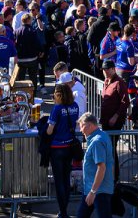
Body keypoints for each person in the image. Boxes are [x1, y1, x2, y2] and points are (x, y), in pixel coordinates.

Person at [47, 83, 80, 218]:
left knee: (59, 181)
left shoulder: (57, 108)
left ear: (59, 94)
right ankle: (64, 209)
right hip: (69, 147)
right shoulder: (75, 106)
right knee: (66, 179)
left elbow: (49, 131)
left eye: (55, 93)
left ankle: (63, 212)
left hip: (57, 148)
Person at [78, 112, 115, 218]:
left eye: (82, 127)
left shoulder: (97, 142)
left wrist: (93, 192)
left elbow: (101, 167)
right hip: (95, 189)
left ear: (89, 125)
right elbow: (110, 163)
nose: (81, 130)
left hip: (98, 191)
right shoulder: (103, 135)